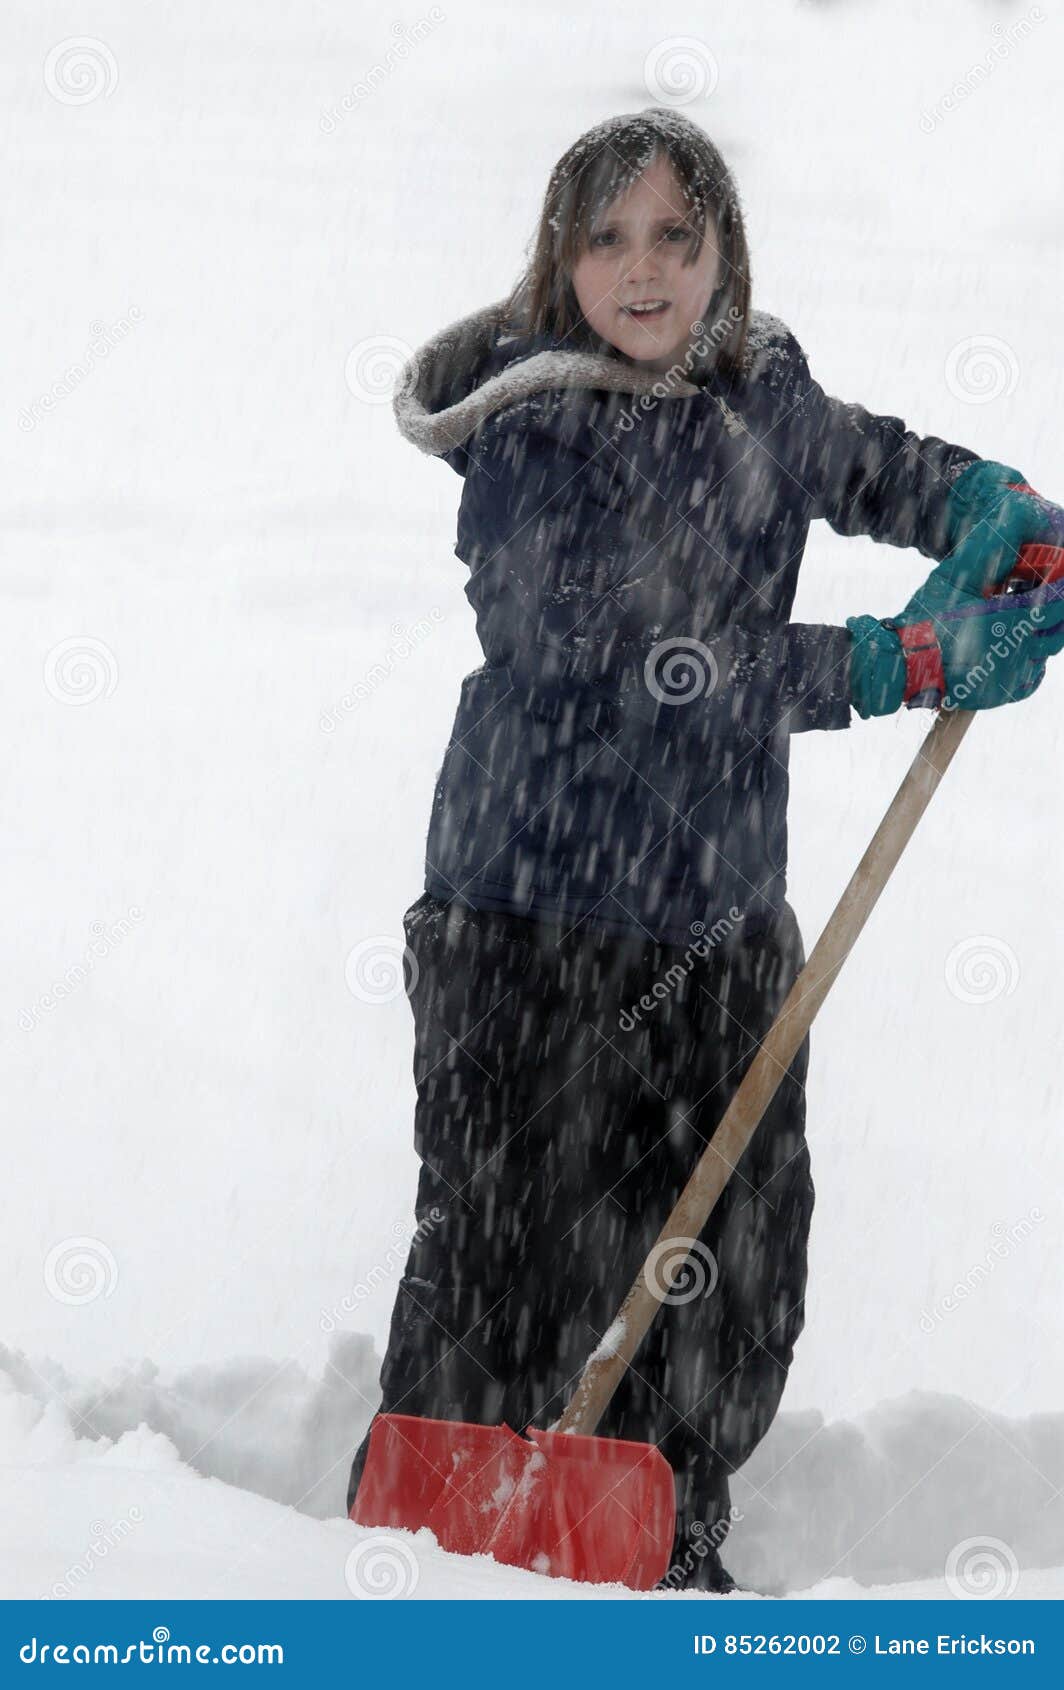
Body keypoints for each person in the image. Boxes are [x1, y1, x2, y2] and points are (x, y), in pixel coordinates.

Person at [346, 107, 1064, 1592]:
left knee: (731, 1254)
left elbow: (871, 465)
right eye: (608, 236)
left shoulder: (757, 391)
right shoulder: (530, 437)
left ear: (725, 250)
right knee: (515, 1259)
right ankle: (443, 1565)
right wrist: (898, 662)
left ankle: (665, 1536)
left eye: (679, 233)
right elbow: (637, 664)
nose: (646, 269)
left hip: (718, 921)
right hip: (526, 916)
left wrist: (991, 506)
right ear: (559, 262)